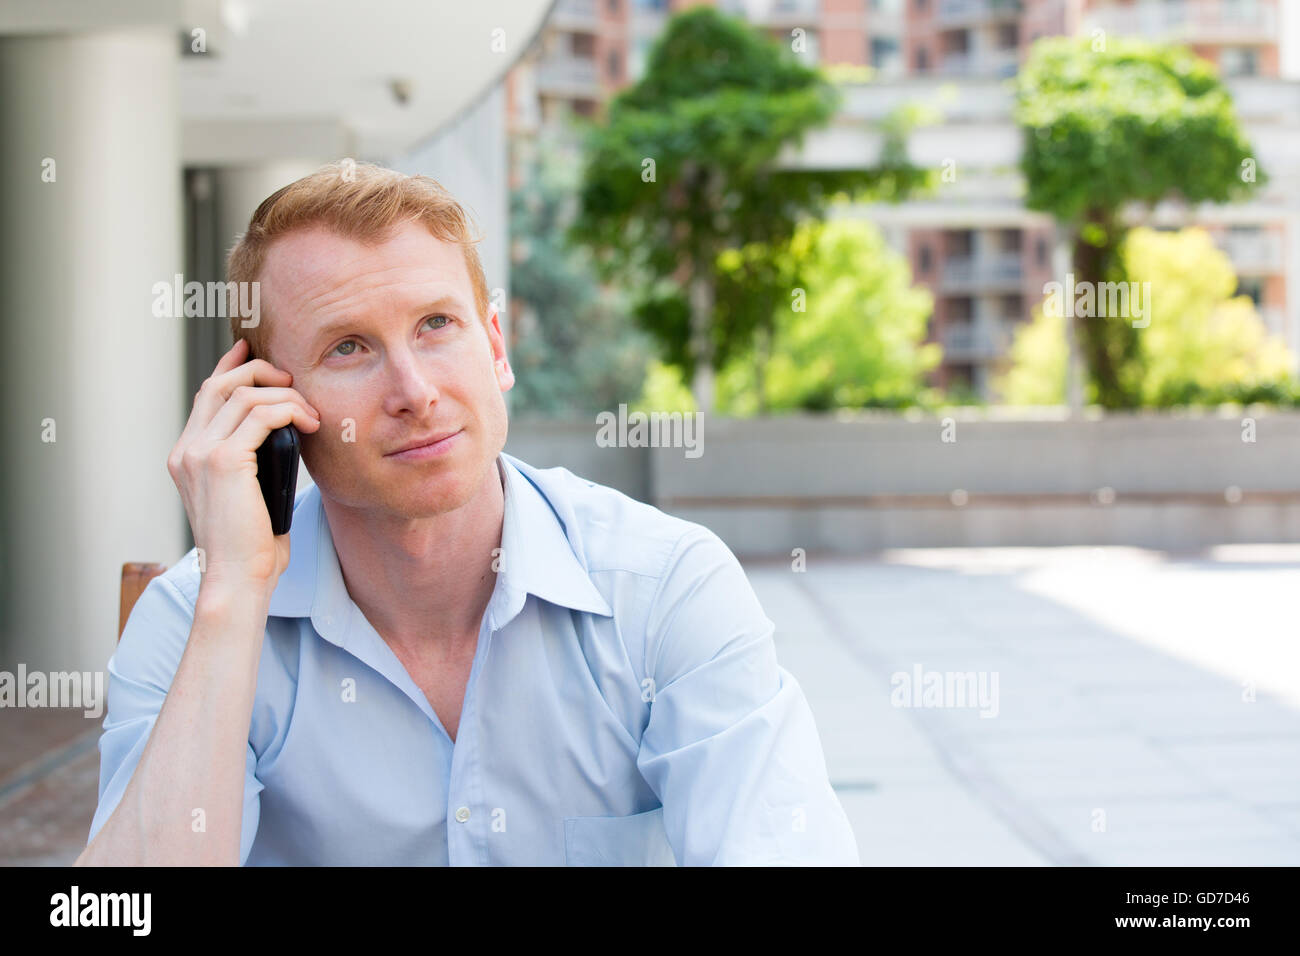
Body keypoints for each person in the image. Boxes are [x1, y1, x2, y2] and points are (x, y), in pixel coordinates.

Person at [77, 161, 858, 866]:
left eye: (436, 325)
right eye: (349, 347)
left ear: (496, 349)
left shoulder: (665, 590)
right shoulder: (192, 622)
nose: (415, 390)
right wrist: (234, 594)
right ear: (271, 408)